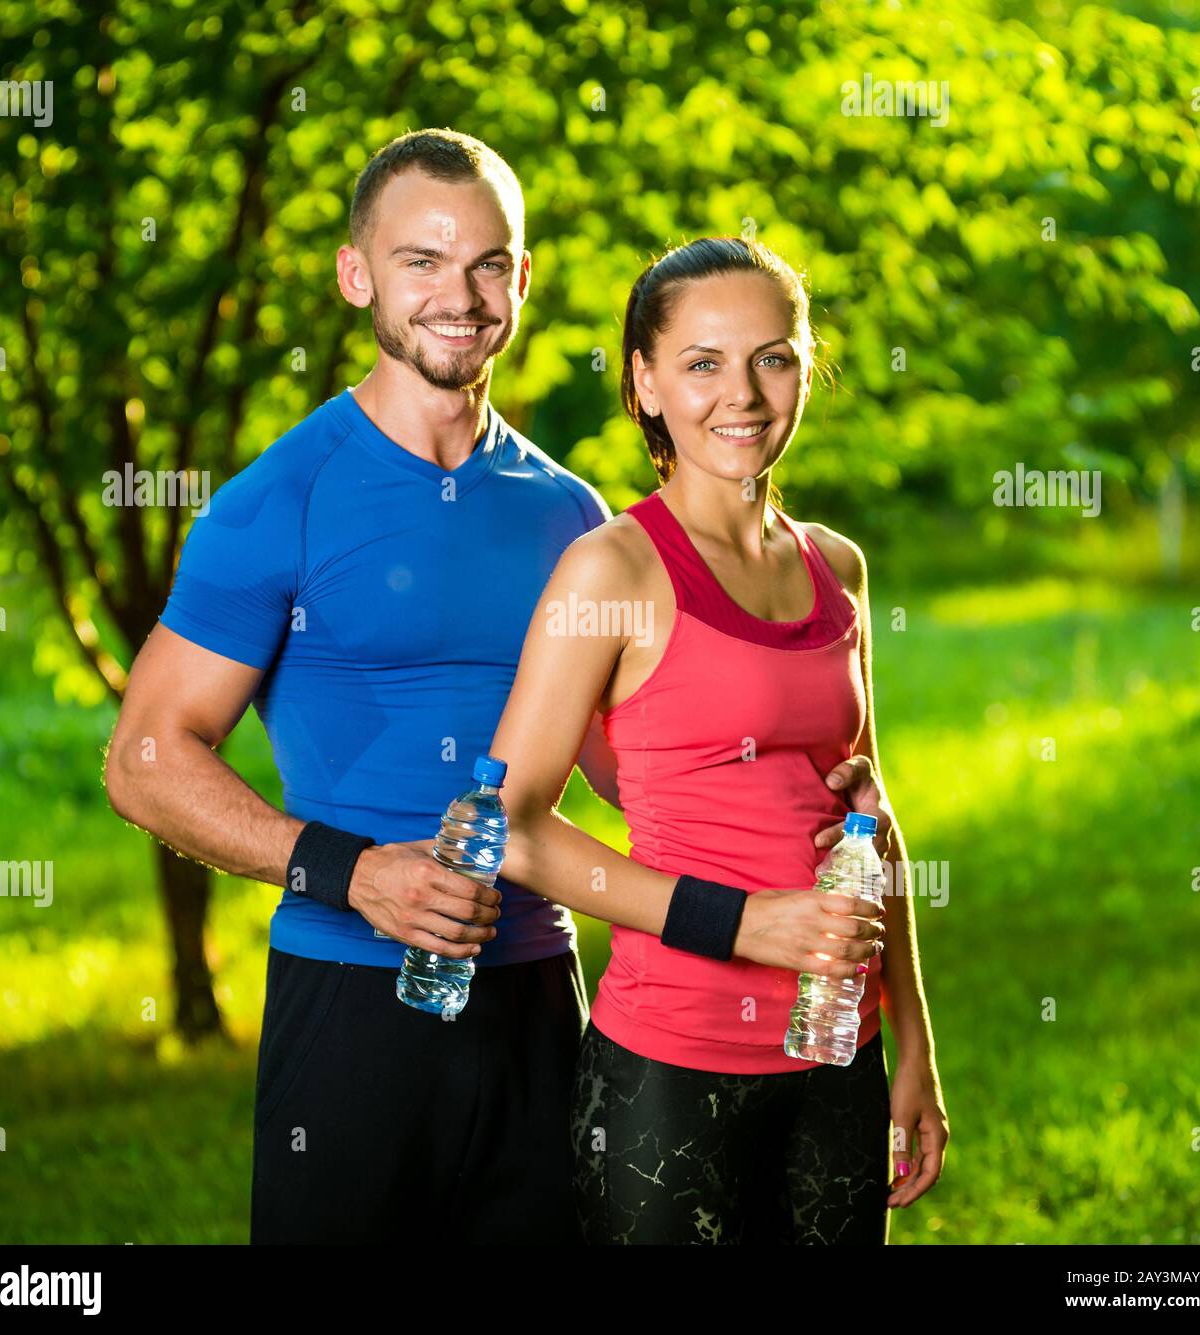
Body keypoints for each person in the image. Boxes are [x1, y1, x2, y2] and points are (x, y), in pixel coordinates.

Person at [104, 131, 868, 1245]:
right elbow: (146, 758)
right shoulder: (280, 499)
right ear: (357, 275)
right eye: (421, 261)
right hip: (354, 1002)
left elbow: (635, 765)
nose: (457, 296)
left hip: (542, 1002)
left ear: (523, 279)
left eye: (488, 264)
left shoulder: (569, 515)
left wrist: (799, 779)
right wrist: (354, 872)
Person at [487, 236, 949, 1244]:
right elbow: (507, 825)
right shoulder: (608, 572)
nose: (740, 393)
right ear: (645, 383)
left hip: (838, 1058)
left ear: (804, 365)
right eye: (701, 363)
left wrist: (912, 1045)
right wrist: (741, 925)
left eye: (771, 357)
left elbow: (869, 815)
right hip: (670, 1066)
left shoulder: (837, 567)